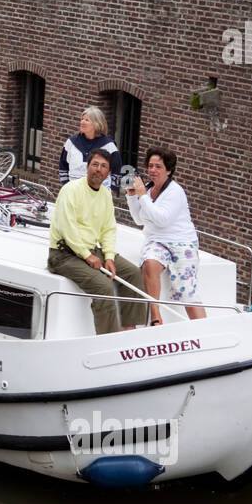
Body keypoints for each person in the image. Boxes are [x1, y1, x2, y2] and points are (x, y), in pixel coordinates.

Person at [47, 149, 147, 335]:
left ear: (108, 172)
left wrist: (108, 257)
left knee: (133, 273)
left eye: (103, 166)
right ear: (87, 167)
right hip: (63, 254)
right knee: (104, 287)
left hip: (91, 251)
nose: (98, 170)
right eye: (95, 164)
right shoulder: (71, 190)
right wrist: (87, 255)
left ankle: (129, 329)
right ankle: (106, 338)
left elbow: (108, 229)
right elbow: (67, 228)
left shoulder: (105, 195)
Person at [126, 147, 207, 323]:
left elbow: (161, 219)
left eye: (158, 167)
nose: (152, 170)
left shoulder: (175, 192)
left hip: (182, 242)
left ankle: (203, 328)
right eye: (150, 166)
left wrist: (142, 197)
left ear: (168, 171)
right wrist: (133, 197)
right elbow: (139, 220)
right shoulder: (146, 190)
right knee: (149, 264)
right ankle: (156, 317)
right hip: (156, 241)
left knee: (187, 293)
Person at [58, 106, 120, 189]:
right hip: (74, 194)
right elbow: (63, 167)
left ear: (97, 124)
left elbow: (117, 172)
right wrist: (66, 187)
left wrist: (111, 191)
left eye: (87, 120)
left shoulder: (109, 146)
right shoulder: (71, 142)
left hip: (98, 195)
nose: (82, 122)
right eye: (82, 119)